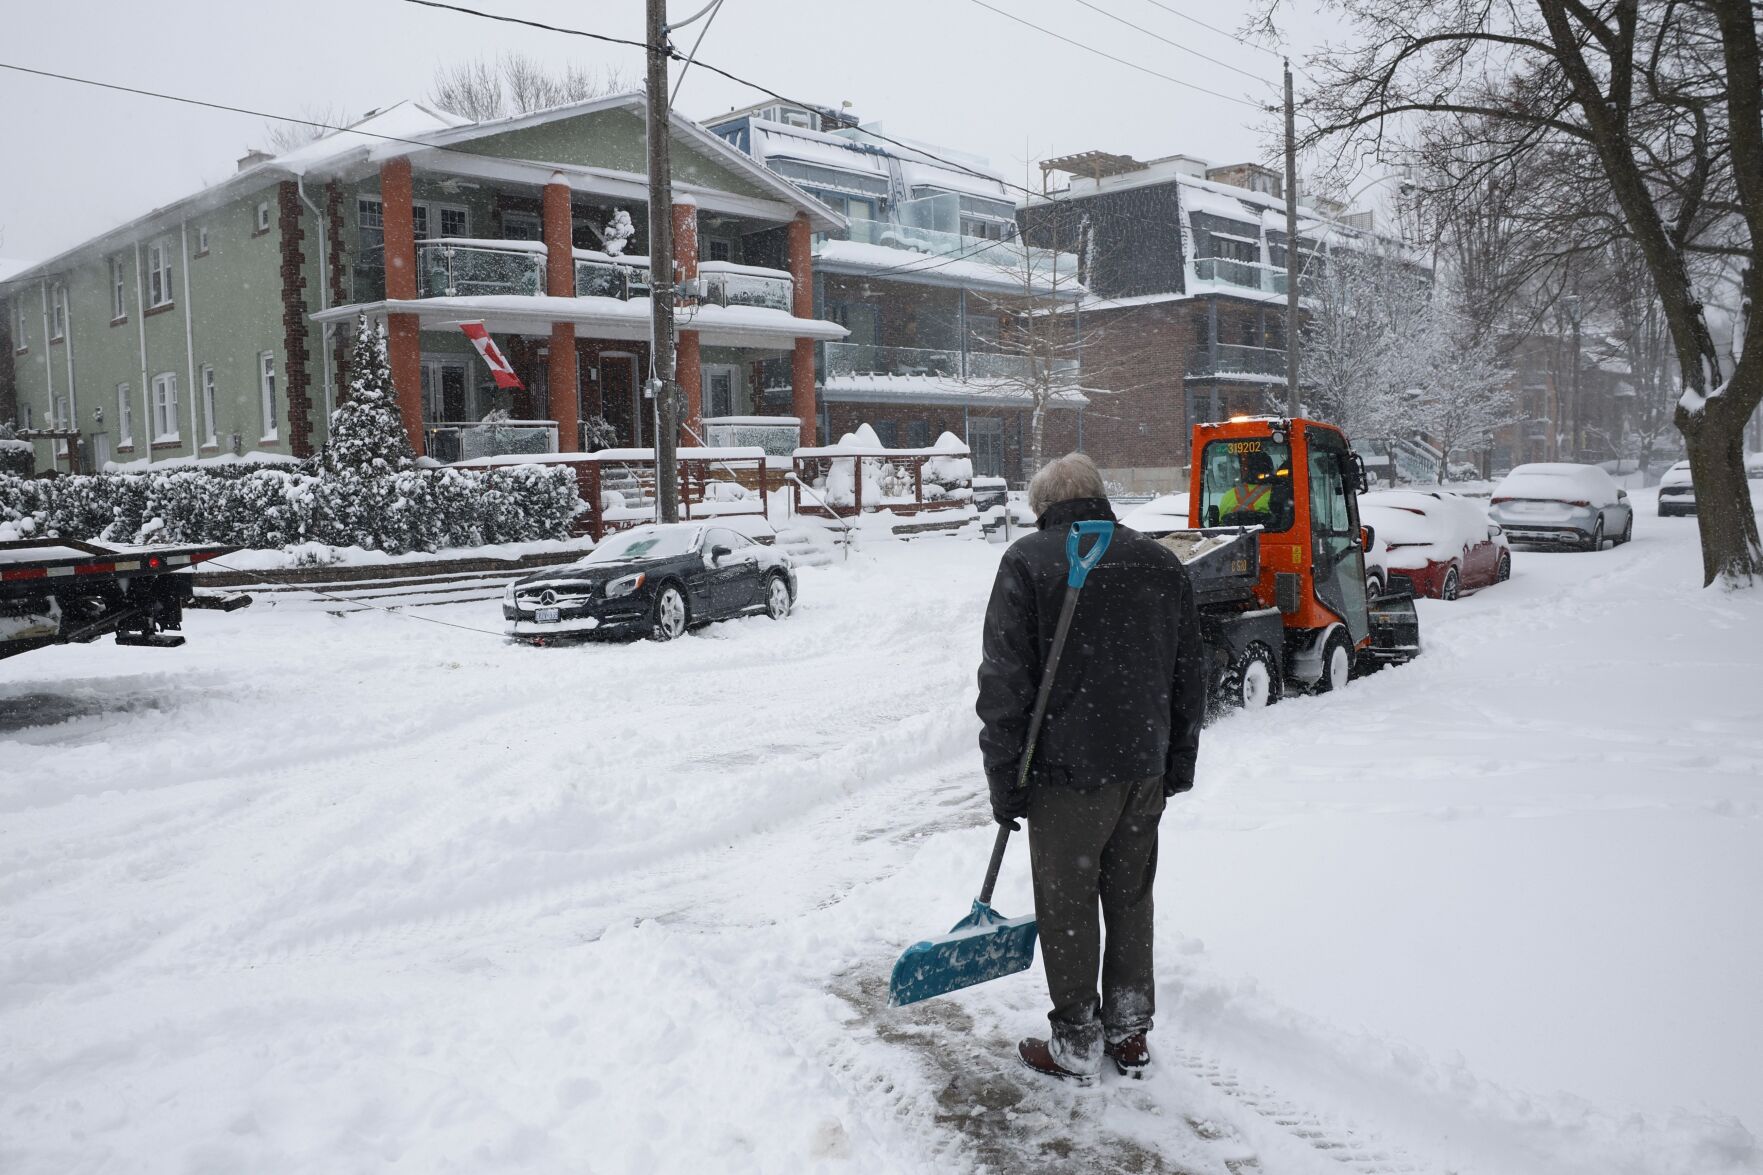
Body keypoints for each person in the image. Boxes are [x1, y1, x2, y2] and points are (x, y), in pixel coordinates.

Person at [976, 453, 1207, 1084]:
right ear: (1100, 498)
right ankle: (1129, 1033)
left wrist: (1005, 780)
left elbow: (1005, 685)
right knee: (1130, 895)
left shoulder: (1027, 562)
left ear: (1045, 508)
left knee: (1068, 901)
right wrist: (1177, 762)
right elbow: (1191, 675)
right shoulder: (1161, 564)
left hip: (1067, 777)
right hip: (1143, 769)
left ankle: (1077, 1037)